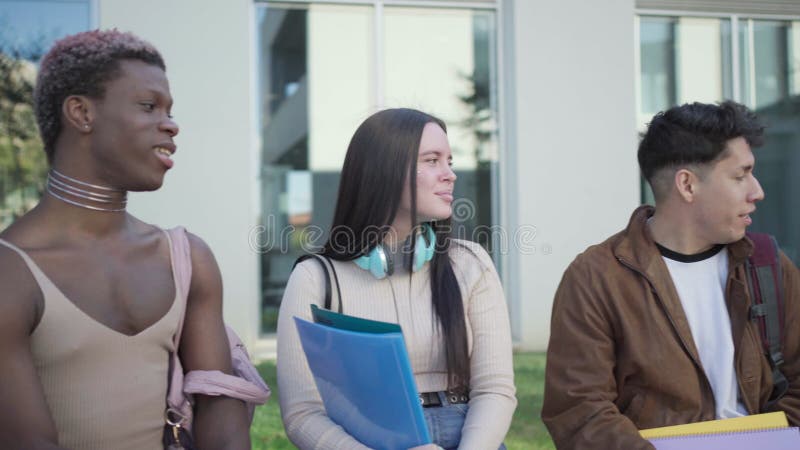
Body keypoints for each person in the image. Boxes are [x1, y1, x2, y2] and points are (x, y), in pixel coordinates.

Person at [0, 30, 250, 449]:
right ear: (81, 113)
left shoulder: (187, 259)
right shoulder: (11, 272)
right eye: (149, 106)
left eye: (170, 110)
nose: (171, 124)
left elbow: (220, 416)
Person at [541, 101, 800, 449]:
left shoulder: (767, 263)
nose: (757, 191)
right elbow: (579, 410)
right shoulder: (595, 278)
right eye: (740, 176)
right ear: (687, 185)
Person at [276, 108, 517, 449]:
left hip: (470, 438)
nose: (450, 174)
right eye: (432, 160)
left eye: (449, 160)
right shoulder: (315, 278)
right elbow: (303, 414)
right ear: (383, 171)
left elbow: (495, 388)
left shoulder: (470, 263)